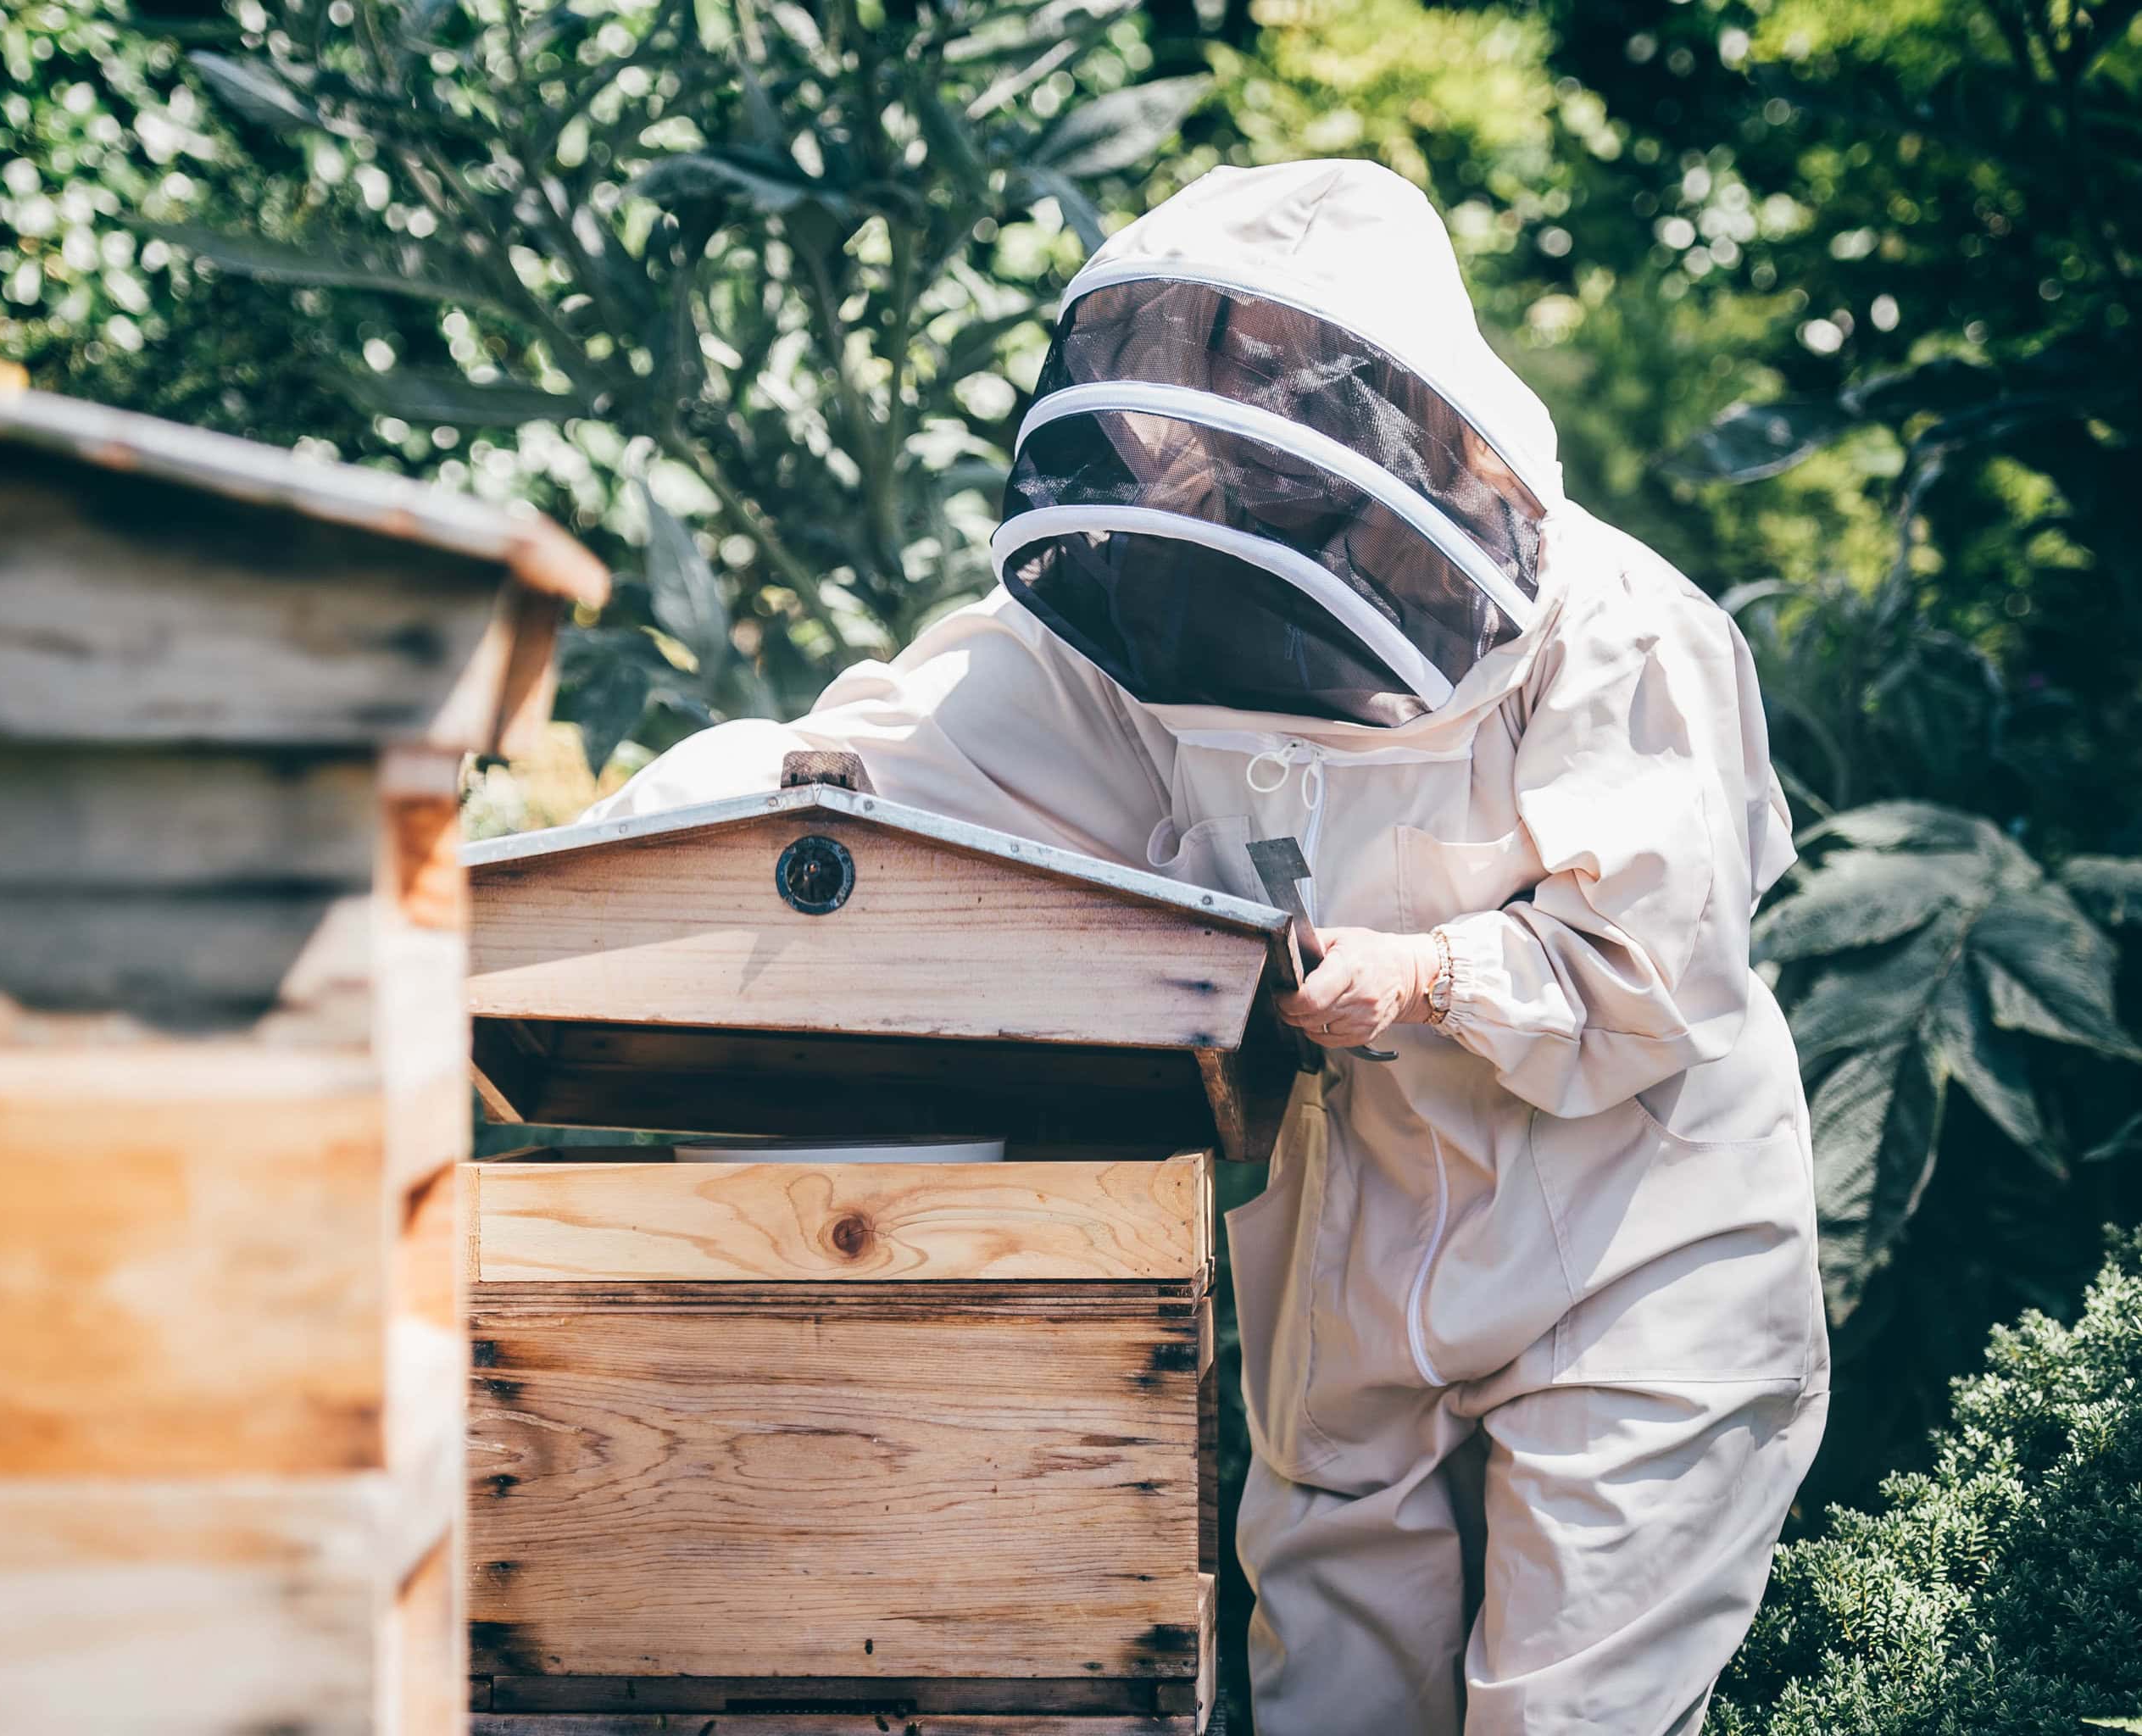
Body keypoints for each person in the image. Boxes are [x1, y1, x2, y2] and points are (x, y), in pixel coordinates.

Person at [580, 159, 1827, 1736]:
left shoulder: (1616, 626)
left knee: (1568, 1714)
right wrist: (589, 857)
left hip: (1634, 1228)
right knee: (1337, 1707)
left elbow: (1657, 972)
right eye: (1213, 347)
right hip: (1351, 1226)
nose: (1245, 389)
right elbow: (920, 750)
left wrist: (1429, 973)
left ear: (1395, 380)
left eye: (1278, 357)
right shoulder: (1144, 589)